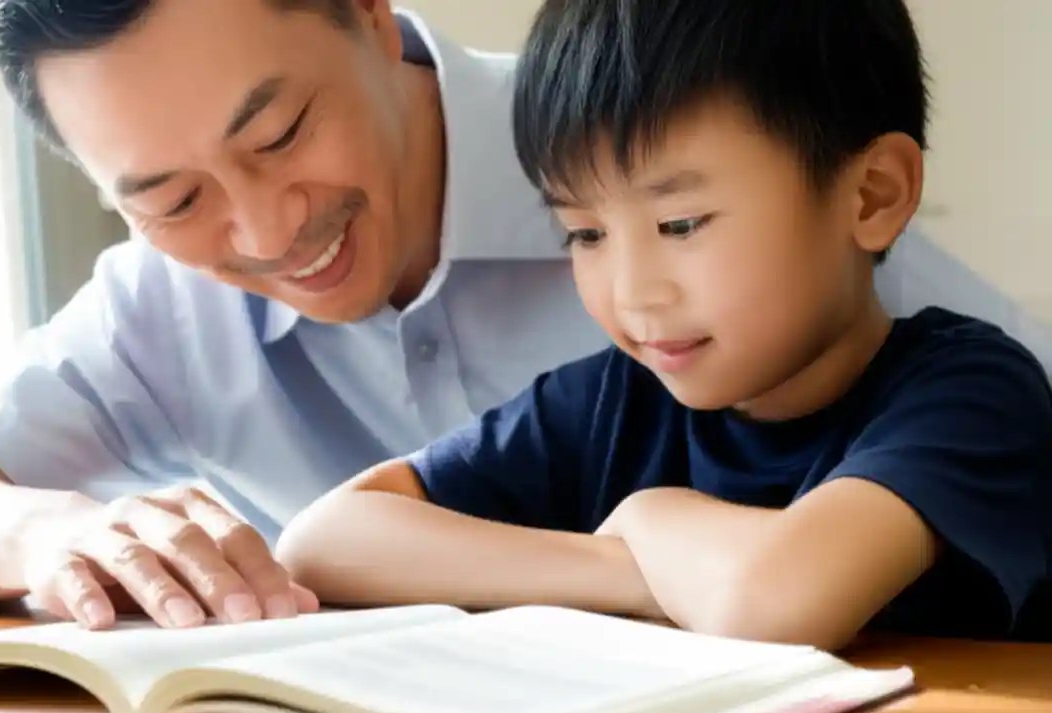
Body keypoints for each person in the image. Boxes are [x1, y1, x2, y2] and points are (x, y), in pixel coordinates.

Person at [0, 0, 1049, 632]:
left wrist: (648, 520)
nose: (265, 234)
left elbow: (795, 585)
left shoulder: (648, 135)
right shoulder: (620, 376)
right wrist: (48, 538)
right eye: (169, 198)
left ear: (368, 10)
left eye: (277, 135)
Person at [277, 0, 1052, 649]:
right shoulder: (617, 400)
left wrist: (652, 517)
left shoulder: (973, 391)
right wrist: (620, 569)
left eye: (681, 224)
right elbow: (324, 541)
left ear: (873, 195)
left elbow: (775, 603)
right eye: (585, 234)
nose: (633, 292)